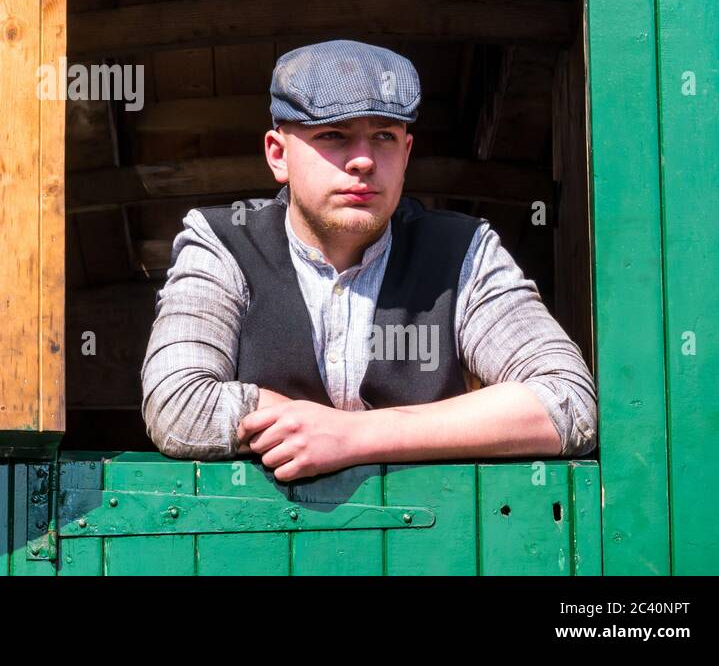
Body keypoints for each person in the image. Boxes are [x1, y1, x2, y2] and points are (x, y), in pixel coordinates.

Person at [140, 39, 597, 481]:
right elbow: (177, 404)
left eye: (384, 136)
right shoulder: (221, 241)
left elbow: (566, 402)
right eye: (334, 135)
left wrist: (352, 436)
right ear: (278, 155)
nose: (363, 160)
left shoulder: (464, 249)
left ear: (407, 153)